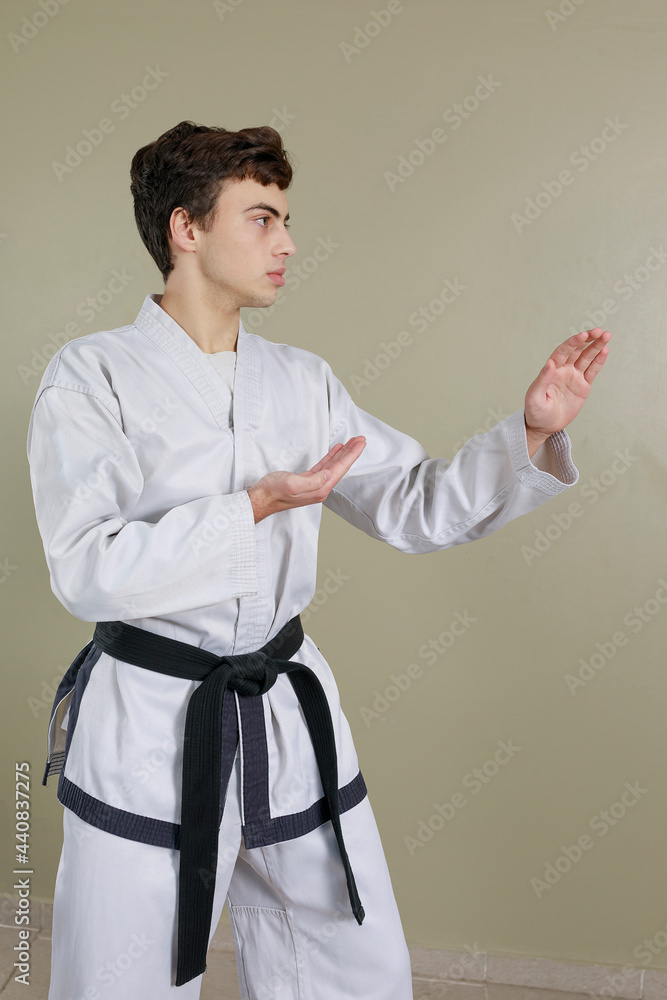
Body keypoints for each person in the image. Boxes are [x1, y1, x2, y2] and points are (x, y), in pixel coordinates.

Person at [26, 120, 611, 1000]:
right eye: (261, 218)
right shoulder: (91, 377)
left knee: (346, 961)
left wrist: (529, 432)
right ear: (186, 228)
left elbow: (416, 506)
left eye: (286, 219)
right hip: (151, 718)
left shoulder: (300, 382)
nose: (288, 243)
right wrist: (253, 506)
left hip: (286, 711)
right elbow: (86, 568)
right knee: (121, 973)